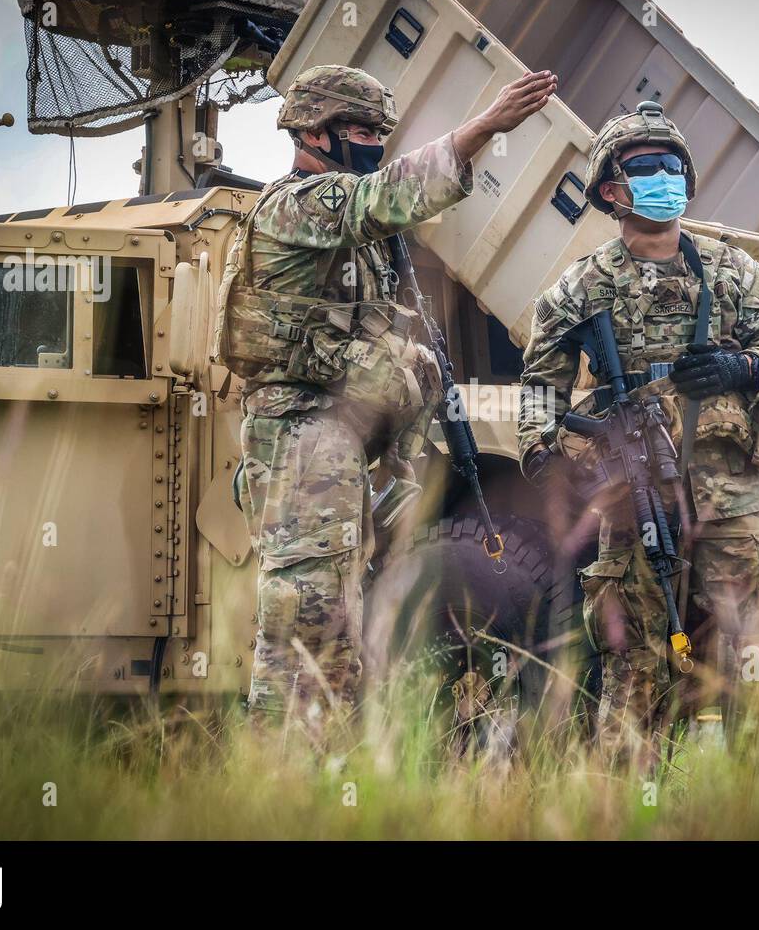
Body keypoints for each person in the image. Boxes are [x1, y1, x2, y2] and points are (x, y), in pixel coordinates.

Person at [216, 64, 557, 735]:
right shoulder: (298, 206)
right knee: (303, 621)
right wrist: (484, 127)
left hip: (334, 453)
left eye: (380, 129)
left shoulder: (351, 231)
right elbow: (386, 196)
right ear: (313, 132)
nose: (374, 139)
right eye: (361, 128)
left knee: (335, 626)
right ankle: (272, 784)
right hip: (299, 445)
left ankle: (320, 780)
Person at [516, 101, 759, 764]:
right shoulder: (581, 287)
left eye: (673, 165)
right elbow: (540, 384)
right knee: (632, 663)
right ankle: (624, 806)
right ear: (612, 191)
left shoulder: (738, 276)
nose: (664, 177)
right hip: (633, 498)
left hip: (731, 498)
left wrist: (743, 365)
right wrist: (543, 458)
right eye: (647, 167)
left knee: (757, 660)